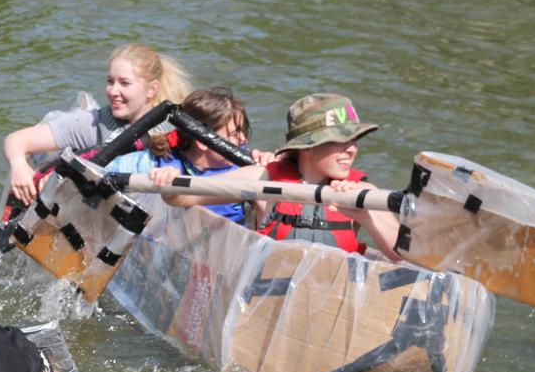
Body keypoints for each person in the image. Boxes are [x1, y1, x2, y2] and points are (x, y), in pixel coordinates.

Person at [147, 93, 402, 260]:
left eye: (354, 140)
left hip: (332, 303)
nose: (351, 149)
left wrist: (366, 217)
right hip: (268, 301)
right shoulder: (264, 179)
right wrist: (171, 181)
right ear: (308, 147)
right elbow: (183, 199)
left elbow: (403, 254)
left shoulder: (361, 190)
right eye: (340, 141)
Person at [2, 44, 191, 206]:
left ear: (152, 89)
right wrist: (19, 166)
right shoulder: (97, 122)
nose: (113, 91)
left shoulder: (177, 130)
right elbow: (17, 139)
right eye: (110, 81)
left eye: (124, 83)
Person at [105, 87, 269, 225]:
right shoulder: (151, 164)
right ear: (203, 141)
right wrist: (161, 180)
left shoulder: (249, 170)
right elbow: (95, 174)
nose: (244, 139)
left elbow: (269, 224)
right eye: (235, 134)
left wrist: (272, 168)